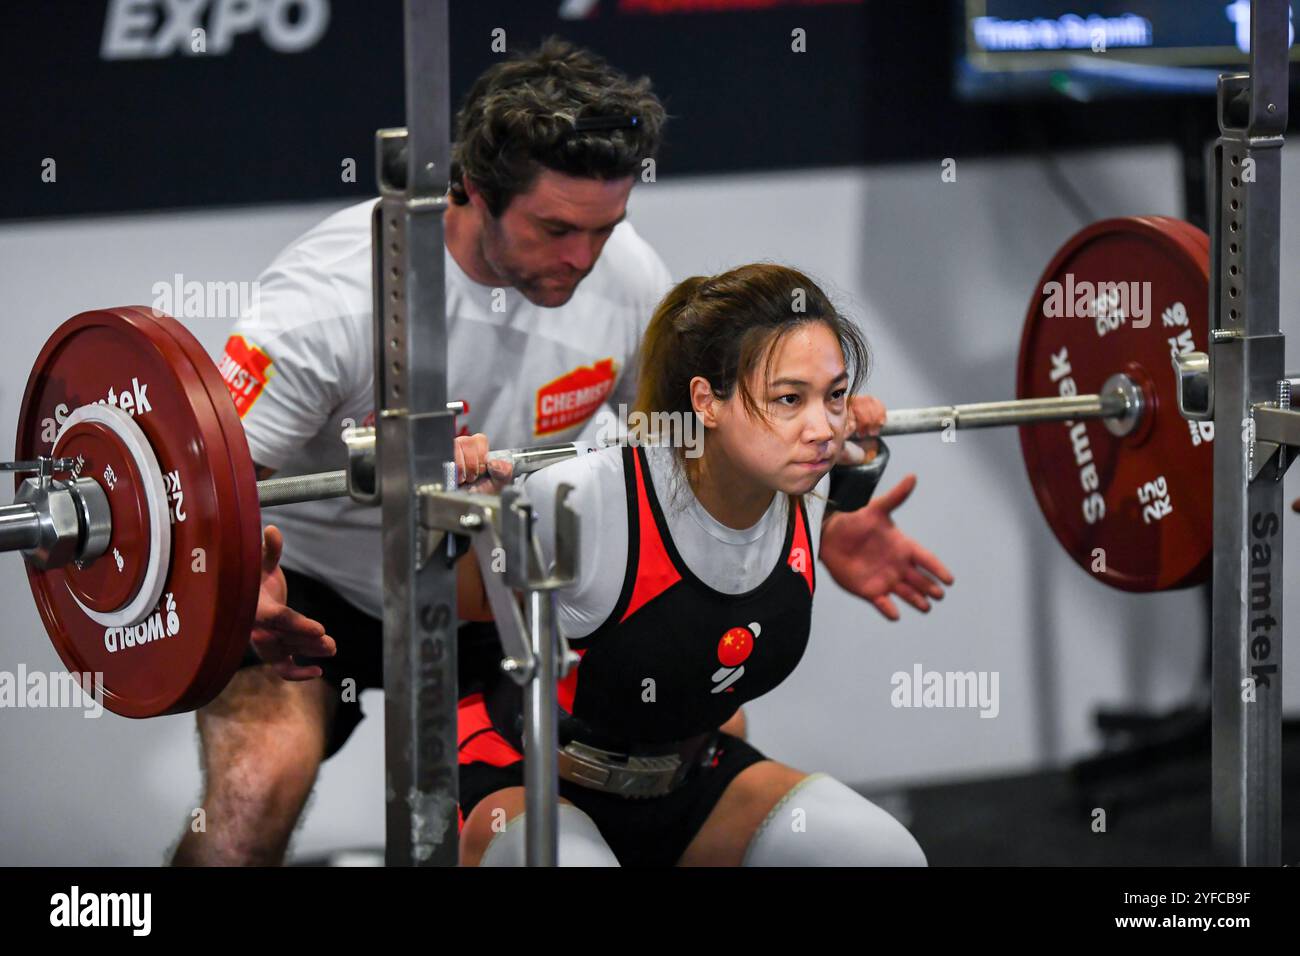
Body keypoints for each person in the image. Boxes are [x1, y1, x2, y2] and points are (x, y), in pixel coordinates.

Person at [173, 39, 949, 866]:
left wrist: (819, 525)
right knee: (255, 795)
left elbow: (695, 446)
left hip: (496, 587)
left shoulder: (626, 281)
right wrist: (235, 590)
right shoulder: (331, 301)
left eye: (603, 229)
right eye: (554, 229)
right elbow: (212, 486)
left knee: (704, 721)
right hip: (314, 587)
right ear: (469, 188)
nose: (581, 258)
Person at [457, 264, 928, 866]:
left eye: (834, 395)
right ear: (706, 400)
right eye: (789, 399)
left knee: (885, 857)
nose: (823, 429)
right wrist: (466, 504)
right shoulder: (587, 499)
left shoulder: (812, 487)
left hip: (688, 785)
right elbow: (450, 610)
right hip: (528, 778)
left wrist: (836, 522)